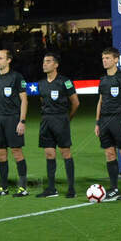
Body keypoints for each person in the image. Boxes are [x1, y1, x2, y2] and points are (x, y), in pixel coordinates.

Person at [94, 46, 121, 200]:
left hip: (119, 120)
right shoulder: (103, 80)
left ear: (116, 60)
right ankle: (113, 188)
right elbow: (100, 101)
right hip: (105, 121)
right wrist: (97, 122)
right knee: (109, 153)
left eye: (107, 58)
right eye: (103, 58)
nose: (104, 61)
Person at [34, 51, 80, 199]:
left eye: (48, 61)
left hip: (61, 120)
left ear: (56, 65)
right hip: (46, 121)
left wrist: (67, 118)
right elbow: (42, 100)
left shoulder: (65, 81)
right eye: (43, 61)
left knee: (65, 153)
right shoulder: (40, 84)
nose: (44, 64)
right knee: (49, 153)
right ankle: (51, 189)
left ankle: (71, 188)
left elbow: (75, 102)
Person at [0, 48, 29, 197]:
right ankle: (3, 188)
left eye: (0, 58)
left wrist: (22, 121)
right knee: (0, 154)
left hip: (13, 118)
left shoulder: (17, 77)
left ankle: (23, 187)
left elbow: (24, 99)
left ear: (8, 60)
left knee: (16, 152)